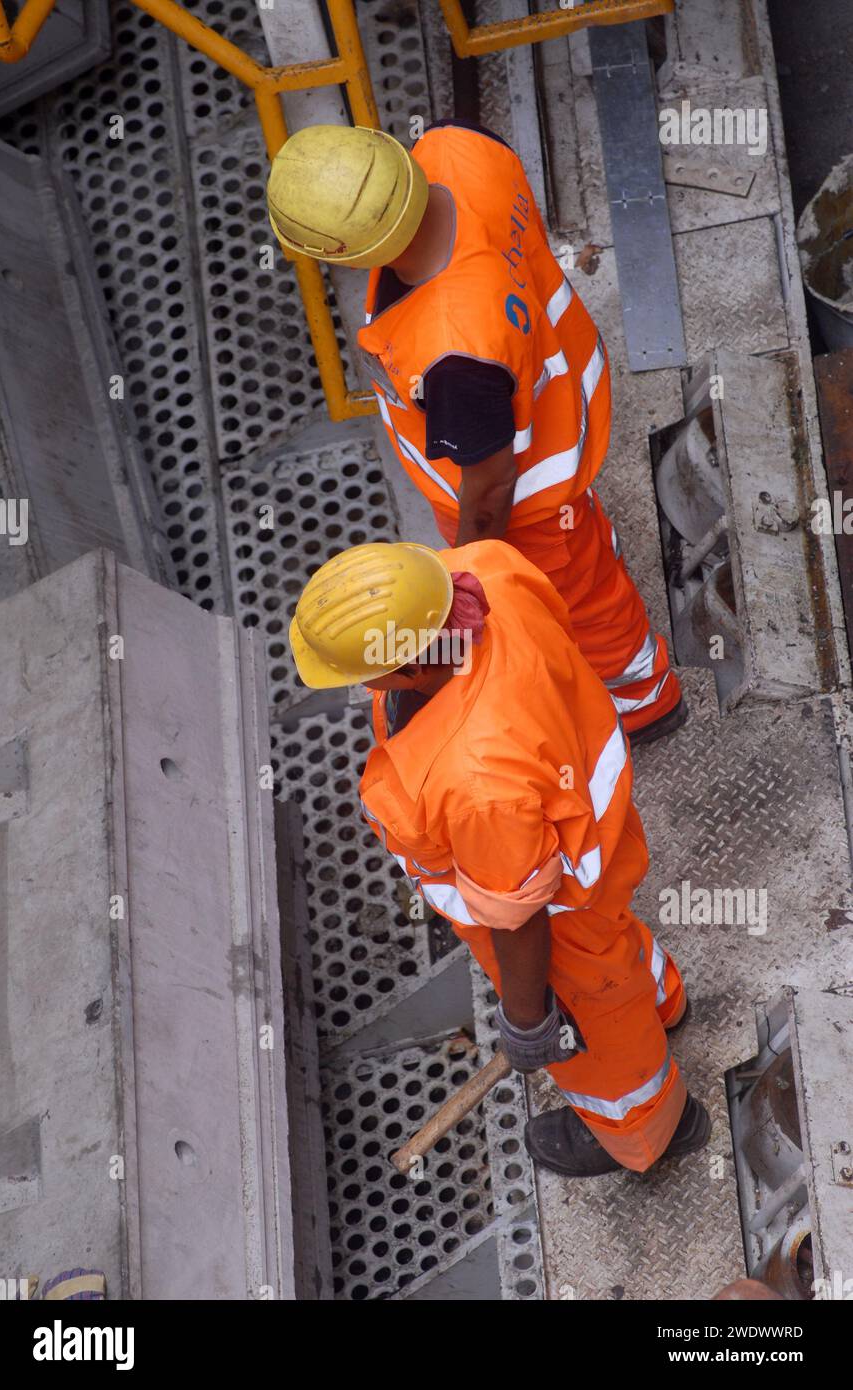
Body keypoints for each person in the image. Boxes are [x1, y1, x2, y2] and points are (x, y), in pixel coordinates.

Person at [289, 538, 710, 1175]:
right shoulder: (488, 569)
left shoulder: (473, 782)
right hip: (592, 835)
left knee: (595, 1021)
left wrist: (527, 1016)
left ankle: (648, 1128)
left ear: (406, 670)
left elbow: (518, 915)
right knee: (615, 941)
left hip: (554, 913)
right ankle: (663, 1000)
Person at [268, 120, 686, 745]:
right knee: (582, 555)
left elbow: (490, 491)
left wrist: (466, 571)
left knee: (583, 602)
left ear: (341, 255)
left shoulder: (453, 354)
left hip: (530, 499)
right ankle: (592, 552)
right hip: (555, 403)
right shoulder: (454, 147)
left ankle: (643, 700)